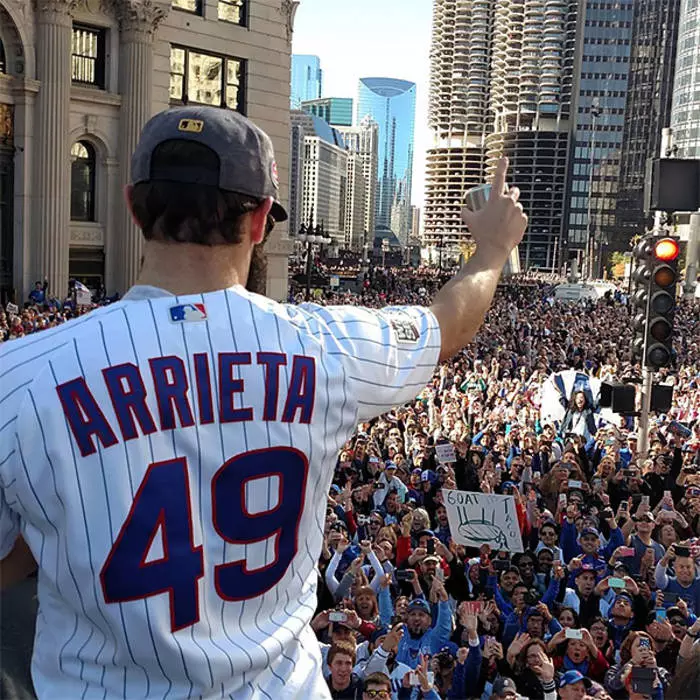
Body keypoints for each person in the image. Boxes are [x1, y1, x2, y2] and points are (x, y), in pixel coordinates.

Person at [0, 105, 528, 698]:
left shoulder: (21, 375)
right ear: (257, 221)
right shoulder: (325, 347)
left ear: (132, 207)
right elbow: (447, 325)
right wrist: (491, 251)